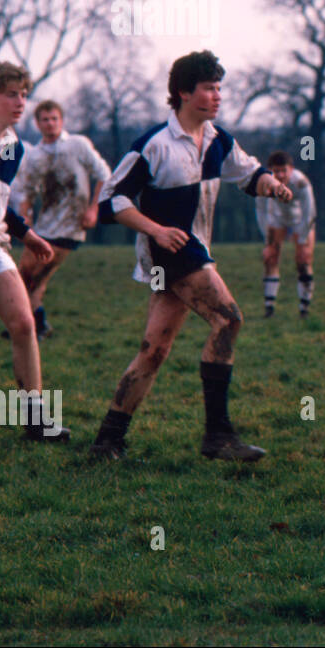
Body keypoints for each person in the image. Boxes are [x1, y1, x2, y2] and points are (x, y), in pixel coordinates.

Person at [89, 51, 293, 461]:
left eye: (220, 88)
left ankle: (107, 440)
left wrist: (270, 183)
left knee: (155, 349)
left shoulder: (218, 139)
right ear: (183, 92)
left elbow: (249, 173)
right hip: (170, 255)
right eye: (208, 88)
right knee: (229, 319)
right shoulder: (154, 144)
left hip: (191, 253)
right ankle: (217, 436)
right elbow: (110, 201)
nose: (217, 95)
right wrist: (156, 230)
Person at [0, 63, 69, 442]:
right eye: (12, 94)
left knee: (24, 324)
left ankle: (36, 422)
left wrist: (30, 236)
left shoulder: (13, 146)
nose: (21, 102)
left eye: (24, 94)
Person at [8, 100, 111, 339]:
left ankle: (34, 325)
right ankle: (32, 324)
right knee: (23, 274)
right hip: (44, 225)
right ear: (38, 123)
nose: (50, 123)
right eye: (45, 119)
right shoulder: (34, 155)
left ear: (61, 121)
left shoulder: (78, 145)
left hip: (71, 225)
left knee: (36, 274)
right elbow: (26, 192)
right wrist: (25, 222)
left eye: (54, 118)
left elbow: (105, 176)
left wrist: (93, 209)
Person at [257, 151, 317, 317]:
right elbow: (261, 211)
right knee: (271, 258)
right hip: (277, 219)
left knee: (303, 260)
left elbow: (309, 213)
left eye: (284, 170)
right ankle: (269, 307)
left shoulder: (301, 183)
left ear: (291, 169)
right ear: (270, 170)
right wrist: (267, 241)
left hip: (300, 220)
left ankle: (304, 308)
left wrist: (303, 240)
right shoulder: (263, 182)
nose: (281, 175)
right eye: (276, 171)